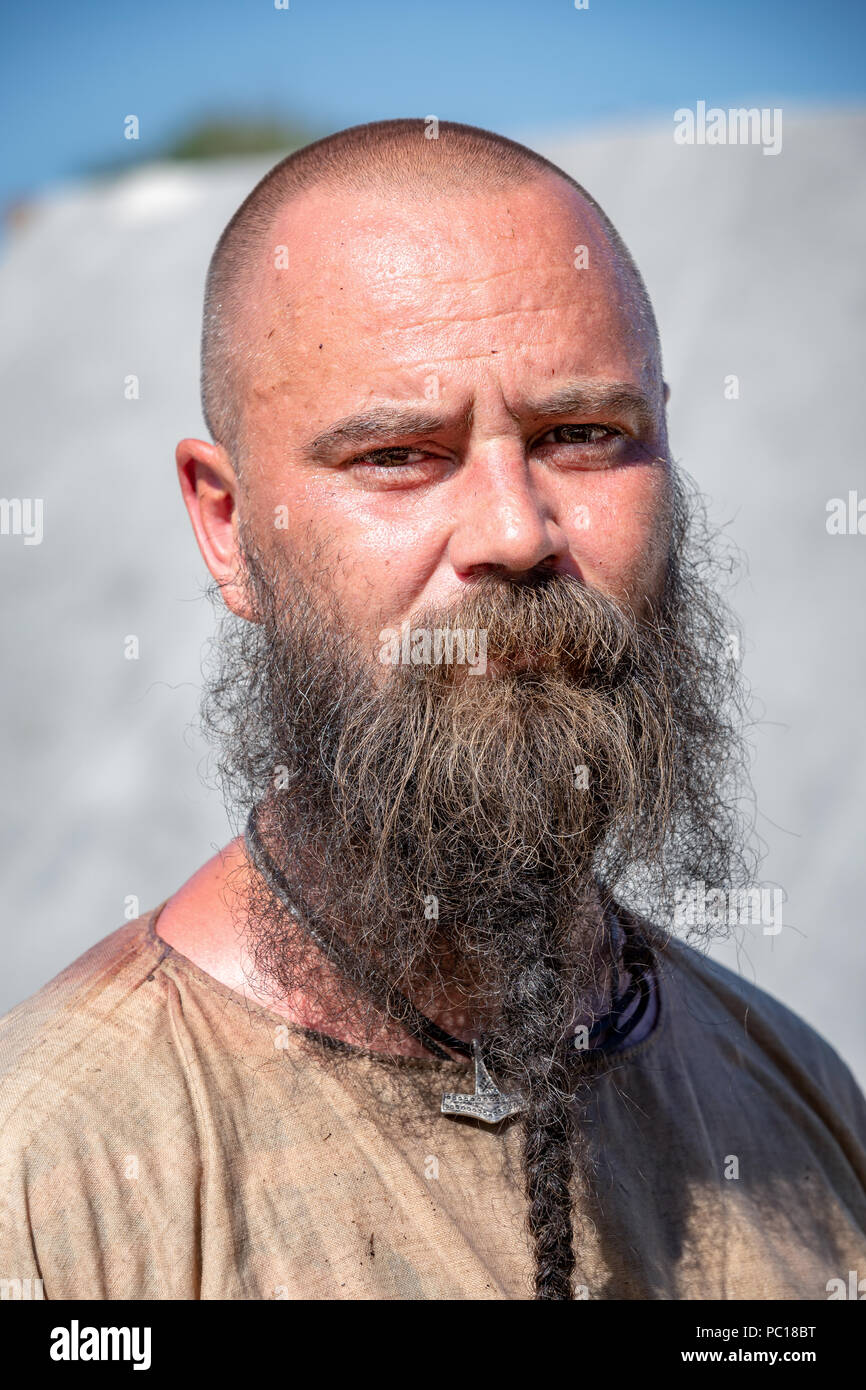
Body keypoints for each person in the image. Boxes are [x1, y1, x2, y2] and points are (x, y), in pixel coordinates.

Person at [1, 119, 864, 1302]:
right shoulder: (57, 1188)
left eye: (581, 436)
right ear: (225, 524)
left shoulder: (797, 1106)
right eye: (401, 455)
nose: (514, 533)